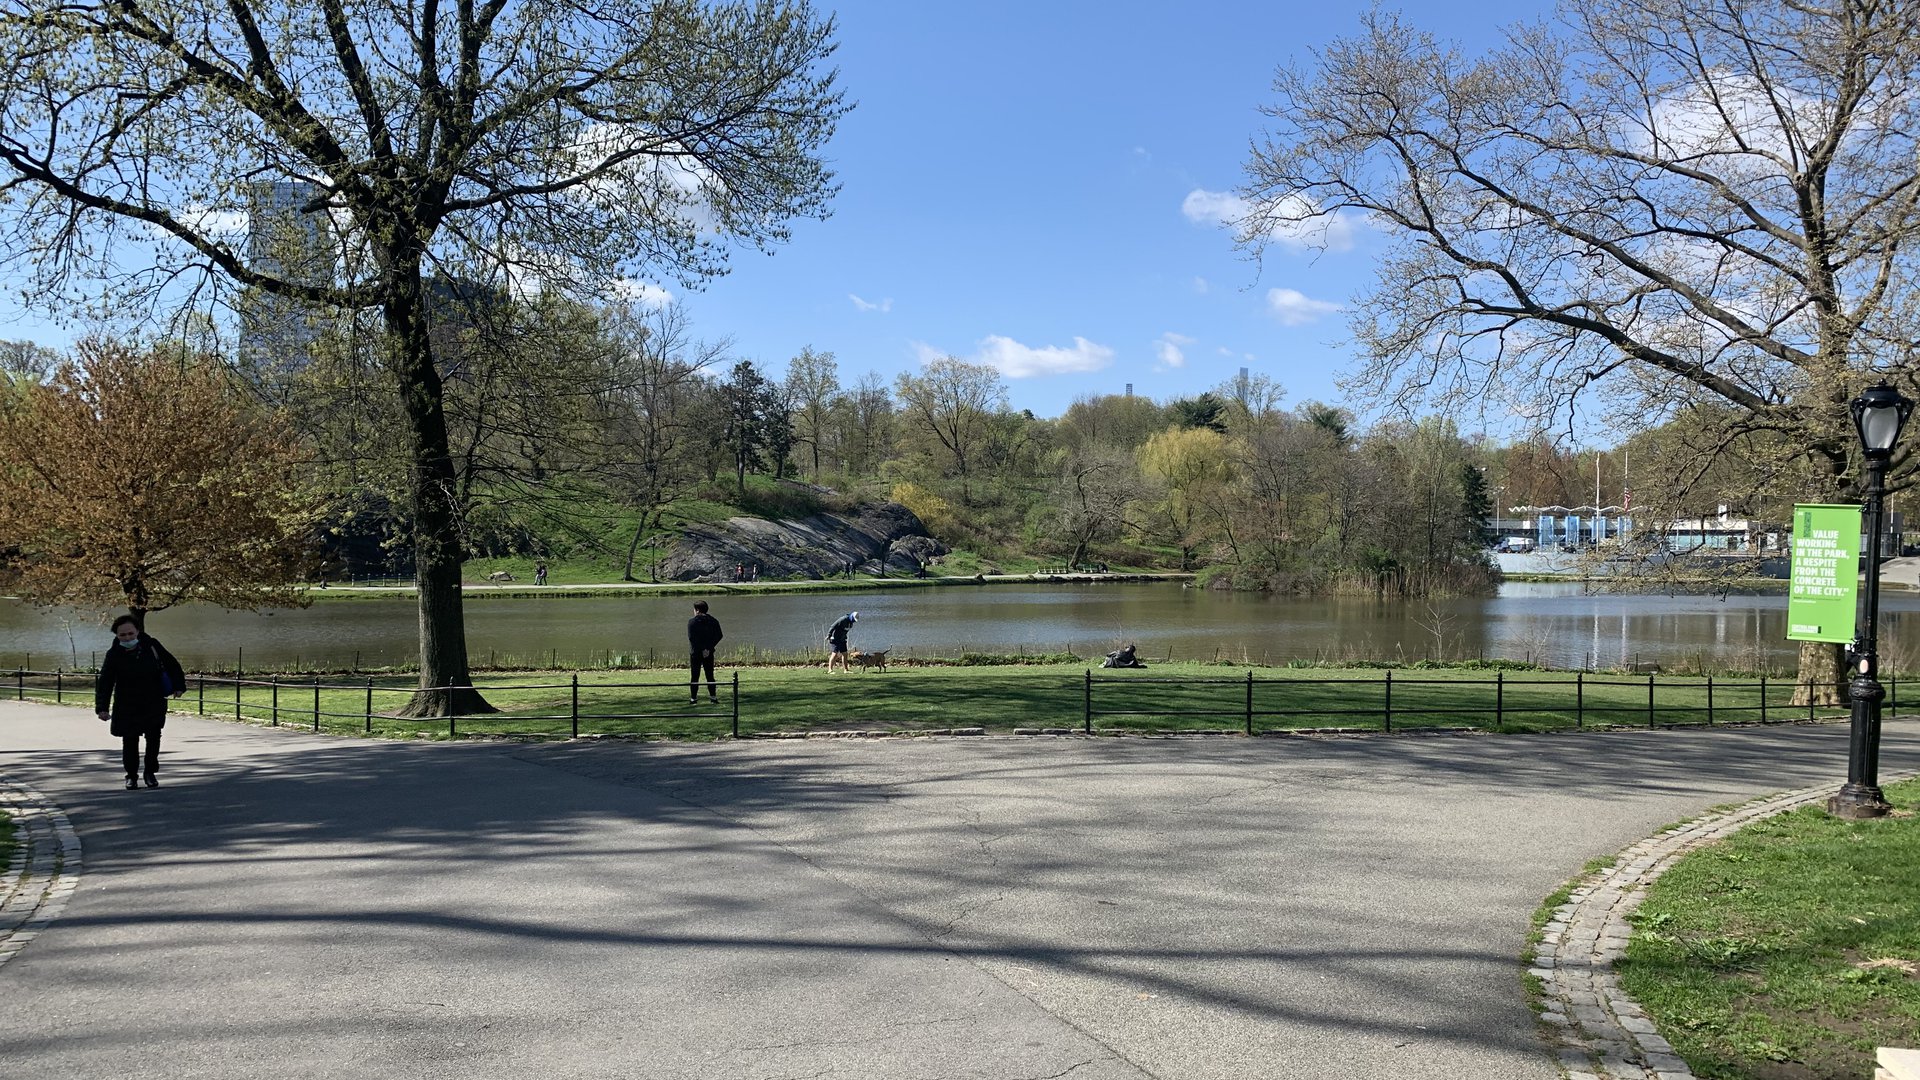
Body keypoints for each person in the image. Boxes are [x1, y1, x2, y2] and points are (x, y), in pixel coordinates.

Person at [95, 615, 186, 790]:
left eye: (130, 633)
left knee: (153, 737)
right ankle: (131, 776)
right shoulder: (114, 654)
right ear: (117, 636)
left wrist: (178, 686)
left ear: (138, 631)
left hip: (153, 700)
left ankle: (150, 772)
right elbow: (105, 682)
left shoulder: (152, 646)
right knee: (129, 740)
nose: (127, 638)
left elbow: (172, 665)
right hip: (126, 703)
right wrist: (102, 708)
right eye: (123, 635)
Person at [687, 600, 724, 704]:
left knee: (695, 676)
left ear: (697, 610)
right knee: (710, 675)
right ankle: (713, 697)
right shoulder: (713, 621)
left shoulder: (692, 622)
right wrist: (708, 648)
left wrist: (702, 649)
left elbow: (692, 638)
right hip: (709, 652)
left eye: (694, 609)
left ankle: (693, 698)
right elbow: (719, 635)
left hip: (696, 653)